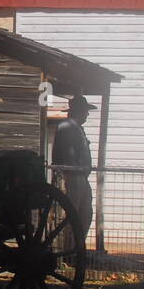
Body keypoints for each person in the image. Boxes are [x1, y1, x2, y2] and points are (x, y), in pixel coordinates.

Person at [52, 95, 95, 248]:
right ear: (79, 111)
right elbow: (67, 154)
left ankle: (76, 248)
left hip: (80, 176)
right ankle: (67, 250)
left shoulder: (76, 128)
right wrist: (75, 169)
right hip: (71, 175)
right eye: (85, 111)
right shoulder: (67, 127)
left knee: (85, 214)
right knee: (71, 215)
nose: (87, 114)